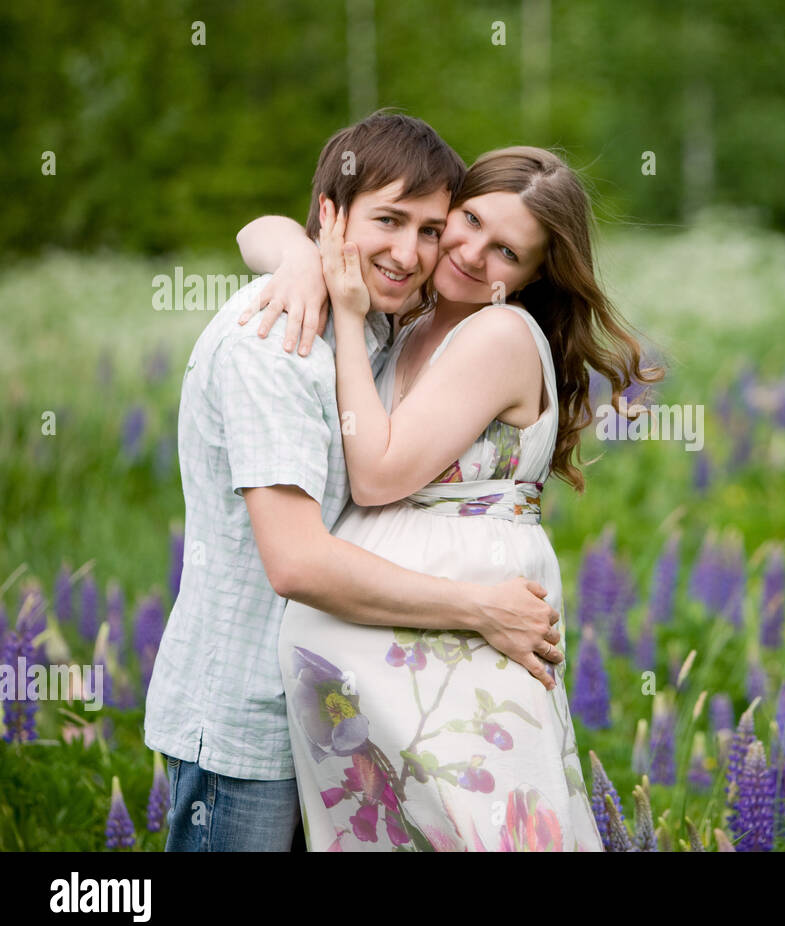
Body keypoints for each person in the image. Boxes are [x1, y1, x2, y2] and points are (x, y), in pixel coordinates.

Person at [143, 112, 564, 853]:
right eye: (390, 221)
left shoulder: (378, 326)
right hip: (251, 730)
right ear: (332, 217)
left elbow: (265, 234)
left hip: (339, 726)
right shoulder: (278, 339)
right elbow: (299, 561)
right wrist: (477, 608)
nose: (414, 252)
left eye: (429, 228)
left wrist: (299, 254)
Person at [236, 144, 663, 850]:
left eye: (506, 252)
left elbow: (377, 474)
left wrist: (343, 316)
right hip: (385, 692)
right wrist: (301, 256)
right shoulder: (415, 319)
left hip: (461, 661)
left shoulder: (496, 332)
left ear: (531, 276)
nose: (470, 253)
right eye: (465, 222)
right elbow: (255, 231)